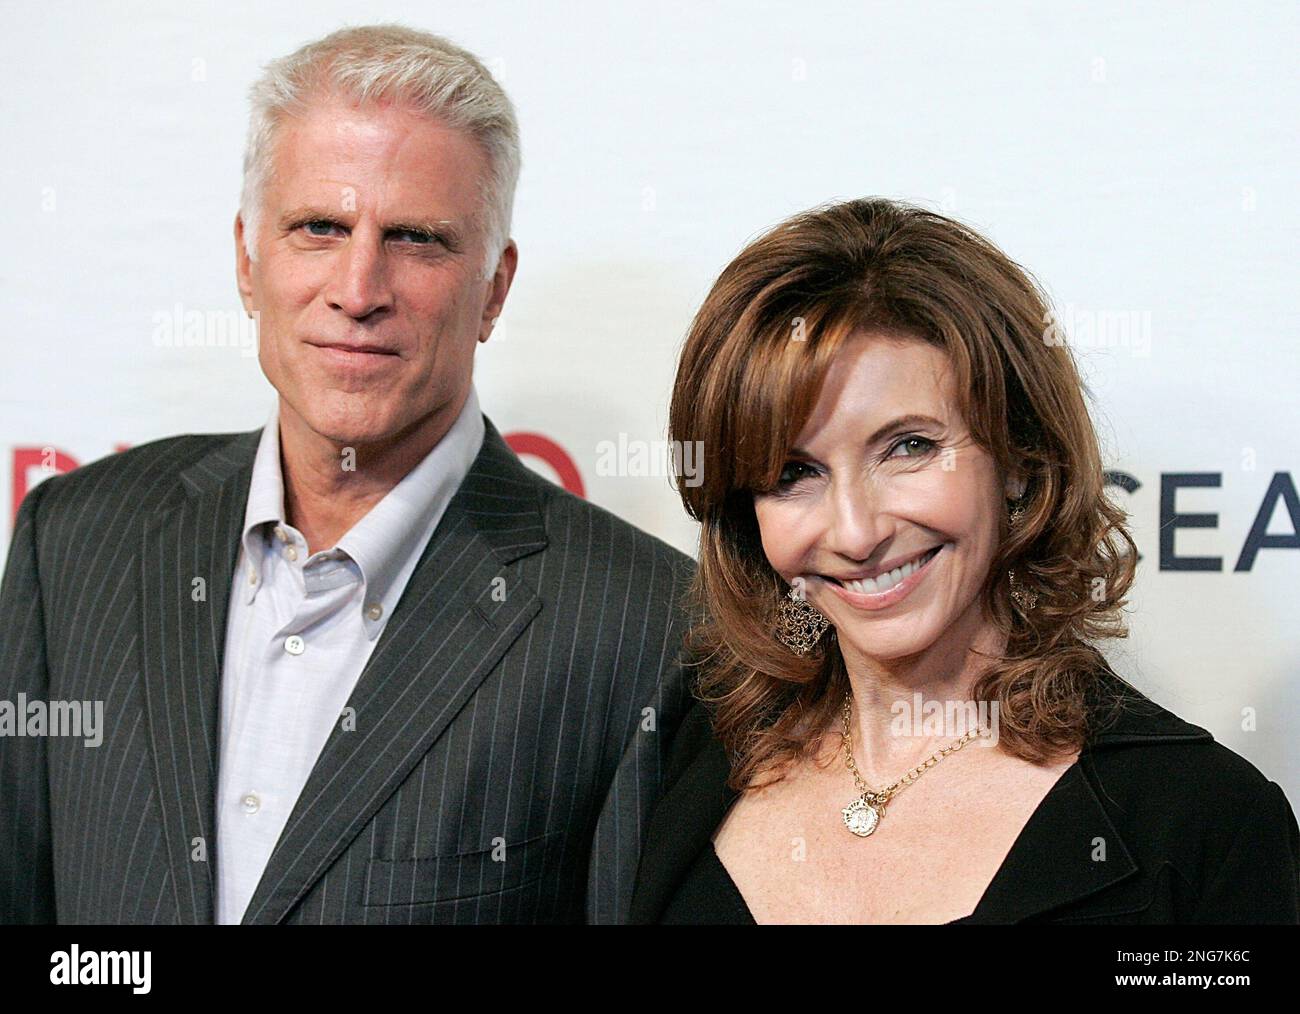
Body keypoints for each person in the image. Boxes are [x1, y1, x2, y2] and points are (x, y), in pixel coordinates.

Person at [0, 24, 693, 925]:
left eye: (416, 239)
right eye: (319, 227)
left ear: (494, 287)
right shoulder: (75, 541)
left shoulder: (643, 628)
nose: (359, 288)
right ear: (249, 260)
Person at [629, 197, 1300, 924]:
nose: (855, 533)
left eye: (908, 446)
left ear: (1017, 459)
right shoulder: (691, 760)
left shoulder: (1201, 824)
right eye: (795, 473)